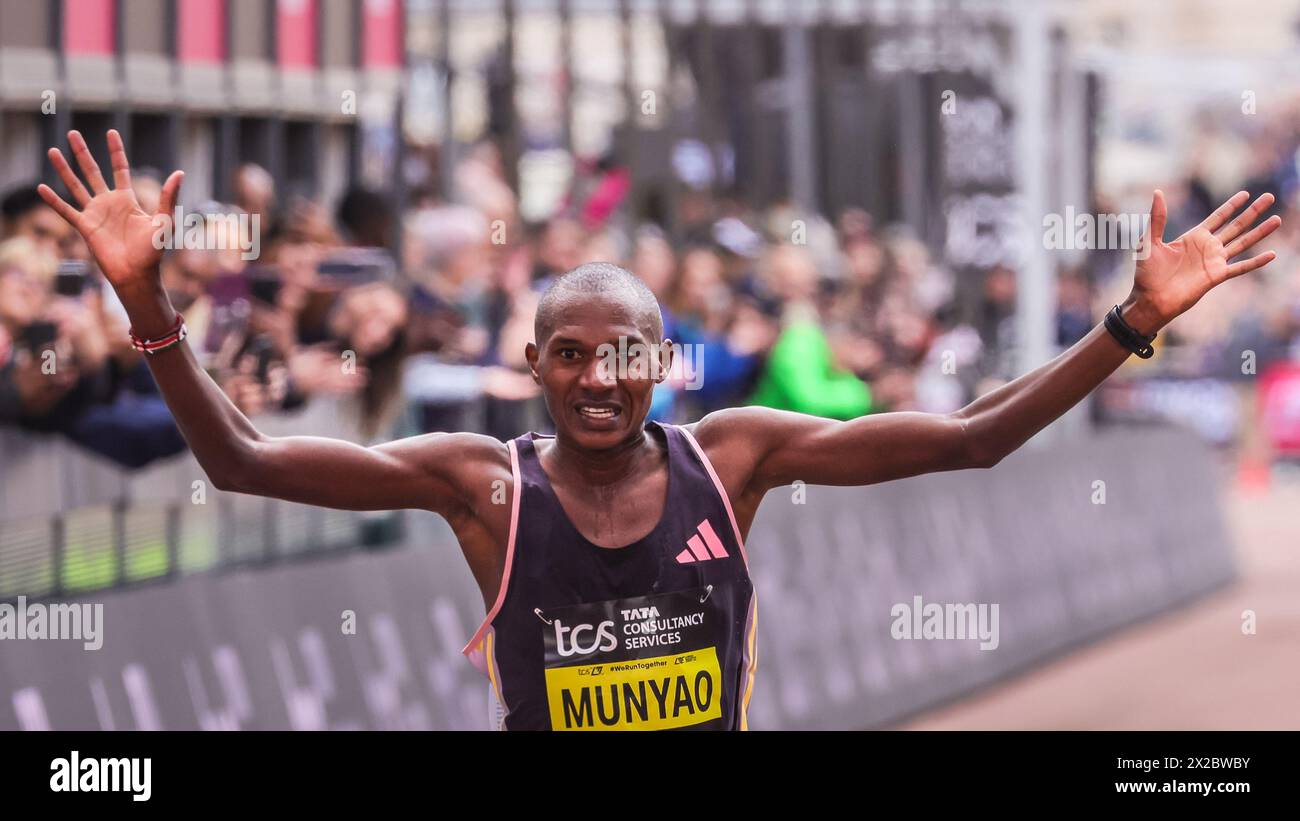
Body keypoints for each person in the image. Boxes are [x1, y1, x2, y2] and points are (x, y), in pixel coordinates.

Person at [37, 130, 1281, 731]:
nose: (595, 376)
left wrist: (1127, 322)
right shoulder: (484, 485)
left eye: (622, 351)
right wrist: (148, 307)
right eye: (567, 353)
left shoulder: (732, 455)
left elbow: (969, 435)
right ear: (530, 366)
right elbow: (241, 459)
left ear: (661, 366)